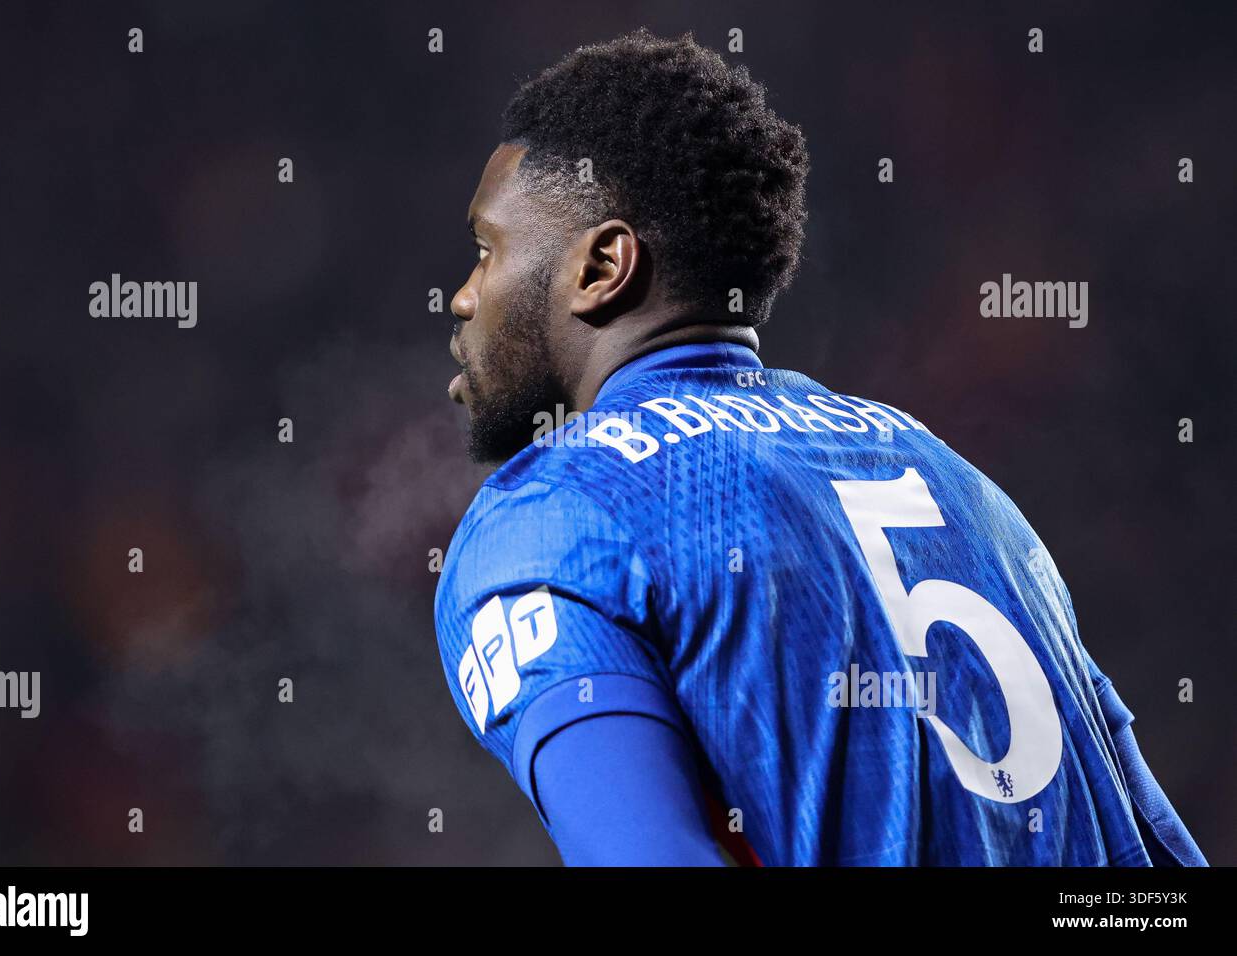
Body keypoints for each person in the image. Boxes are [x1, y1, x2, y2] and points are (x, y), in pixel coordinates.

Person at [433, 29, 1206, 866]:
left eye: (485, 251)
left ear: (603, 267)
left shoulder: (555, 511)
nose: (466, 295)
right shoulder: (961, 485)